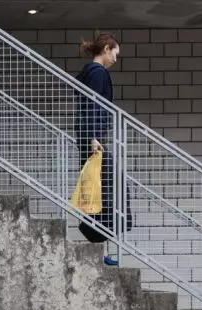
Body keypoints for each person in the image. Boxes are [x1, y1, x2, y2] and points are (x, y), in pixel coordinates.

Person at [74, 32, 132, 265]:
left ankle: (99, 249)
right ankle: (100, 249)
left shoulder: (91, 72)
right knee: (109, 193)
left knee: (101, 194)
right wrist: (94, 138)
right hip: (94, 141)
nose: (116, 60)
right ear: (107, 49)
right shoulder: (99, 73)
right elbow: (93, 104)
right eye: (115, 54)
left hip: (91, 139)